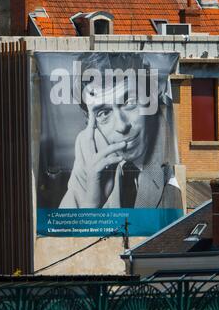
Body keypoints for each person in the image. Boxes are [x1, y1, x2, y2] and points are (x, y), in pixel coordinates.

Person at [59, 52, 182, 209]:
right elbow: (66, 229)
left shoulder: (168, 154)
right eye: (103, 113)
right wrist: (92, 203)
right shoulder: (89, 148)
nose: (121, 126)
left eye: (129, 102)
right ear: (91, 123)